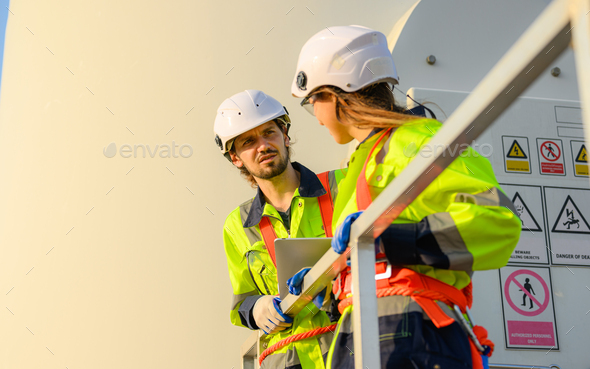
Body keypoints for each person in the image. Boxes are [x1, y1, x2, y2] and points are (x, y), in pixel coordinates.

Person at [289, 26, 522, 369]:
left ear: (336, 94)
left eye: (312, 102)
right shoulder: (359, 163)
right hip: (364, 333)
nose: (317, 116)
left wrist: (394, 240)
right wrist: (330, 277)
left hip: (412, 332)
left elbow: (497, 222)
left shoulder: (420, 139)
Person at [215, 89, 345, 369]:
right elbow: (242, 304)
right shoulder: (237, 225)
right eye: (248, 141)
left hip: (348, 346)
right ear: (236, 157)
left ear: (285, 136)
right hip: (288, 360)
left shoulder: (341, 186)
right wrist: (258, 307)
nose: (263, 145)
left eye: (269, 133)